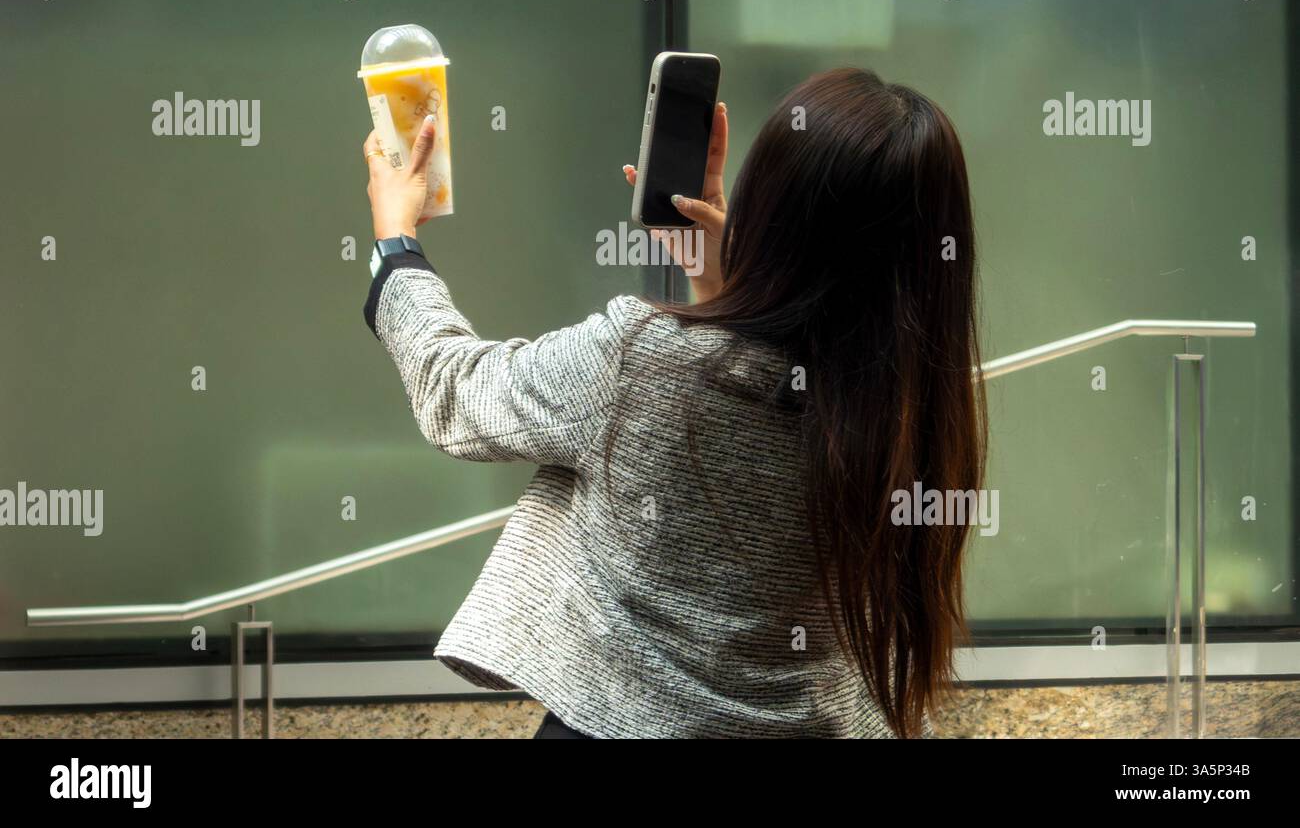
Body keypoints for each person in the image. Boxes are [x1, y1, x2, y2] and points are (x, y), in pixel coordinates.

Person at [361, 67, 986, 739]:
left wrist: (396, 241)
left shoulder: (640, 356)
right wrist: (724, 282)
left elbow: (454, 392)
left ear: (770, 204)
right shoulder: (913, 413)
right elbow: (782, 374)